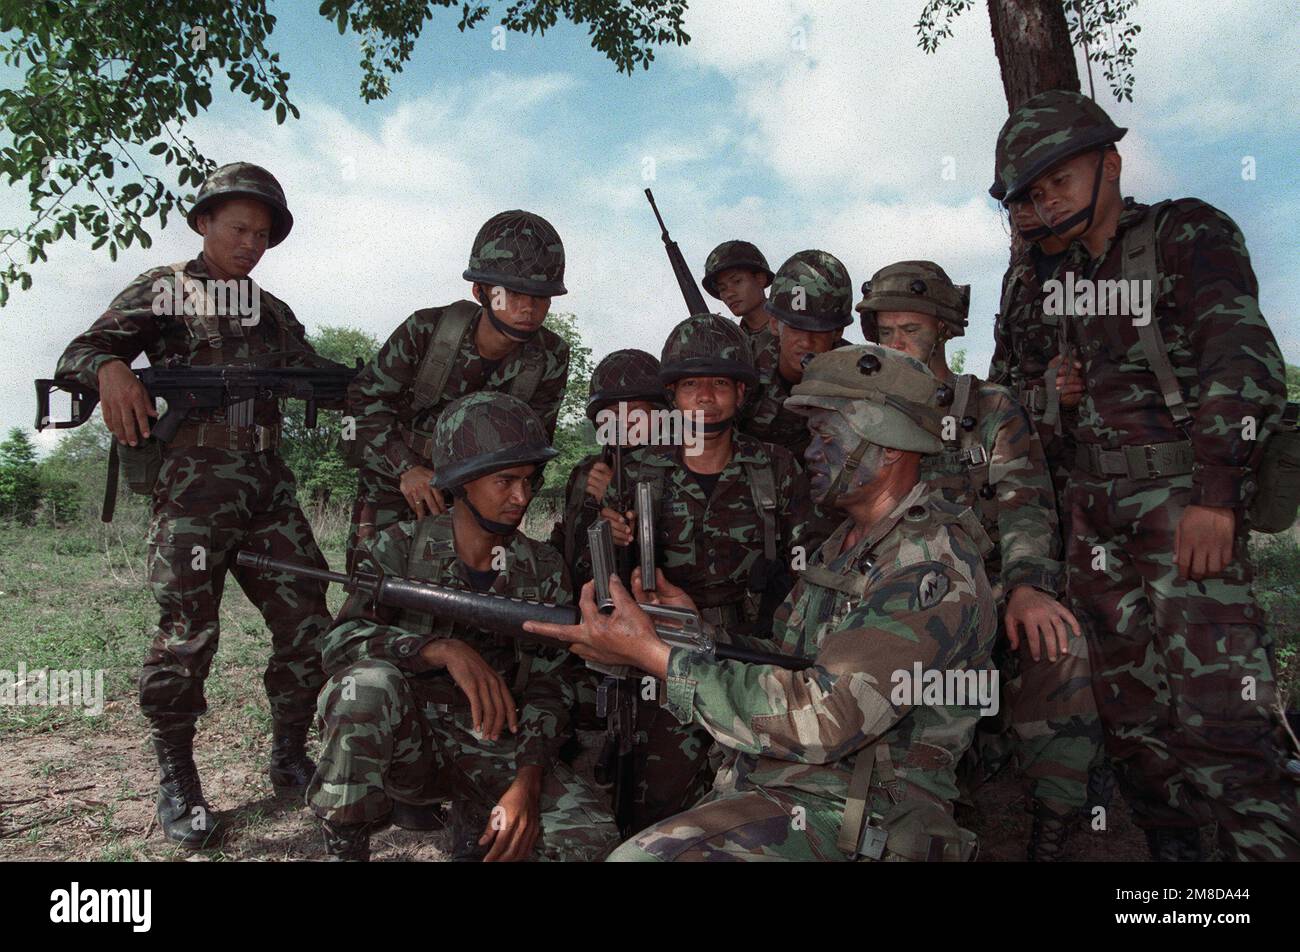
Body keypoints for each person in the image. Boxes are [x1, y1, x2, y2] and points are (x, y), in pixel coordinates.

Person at [526, 345, 997, 861]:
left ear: (888, 446)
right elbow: (786, 657)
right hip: (793, 783)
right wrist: (695, 631)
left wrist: (657, 657)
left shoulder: (926, 568)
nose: (811, 452)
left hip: (867, 812)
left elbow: (826, 716)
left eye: (824, 435)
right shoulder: (849, 544)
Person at [990, 88, 1299, 861]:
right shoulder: (1053, 281)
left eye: (1059, 179)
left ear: (1111, 162)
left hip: (1182, 508)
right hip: (1093, 519)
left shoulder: (1184, 232)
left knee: (1224, 722)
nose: (1046, 201)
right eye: (1032, 192)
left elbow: (1246, 360)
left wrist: (1219, 495)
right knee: (1133, 727)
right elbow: (1018, 407)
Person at [55, 162, 332, 847]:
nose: (250, 244)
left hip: (267, 490)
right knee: (187, 635)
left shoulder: (273, 314)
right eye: (238, 228)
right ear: (204, 222)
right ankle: (178, 776)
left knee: (308, 624)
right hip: (192, 494)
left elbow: (322, 379)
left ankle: (291, 758)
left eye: (262, 234)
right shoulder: (165, 290)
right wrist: (111, 368)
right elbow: (81, 350)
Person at [859, 259, 1103, 860]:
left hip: (986, 592)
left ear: (943, 331)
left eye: (910, 331)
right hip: (896, 597)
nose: (897, 345)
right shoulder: (863, 412)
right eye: (885, 332)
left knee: (1060, 646)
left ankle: (1054, 813)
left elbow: (1026, 507)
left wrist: (1025, 587)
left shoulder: (991, 408)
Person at [308, 392, 618, 861]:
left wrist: (527, 783)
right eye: (506, 480)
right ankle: (345, 850)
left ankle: (480, 815)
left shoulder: (544, 567)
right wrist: (439, 649)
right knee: (364, 686)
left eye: (529, 481)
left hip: (500, 741)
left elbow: (550, 687)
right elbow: (339, 645)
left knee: (590, 841)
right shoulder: (399, 550)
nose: (523, 497)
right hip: (406, 738)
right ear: (462, 482)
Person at [596, 313, 812, 831]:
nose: (706, 397)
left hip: (753, 653)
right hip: (663, 653)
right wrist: (608, 537)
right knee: (653, 812)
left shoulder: (776, 467)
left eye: (720, 383)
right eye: (691, 383)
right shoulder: (639, 469)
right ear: (673, 394)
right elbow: (600, 580)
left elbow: (809, 568)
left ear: (741, 392)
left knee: (762, 807)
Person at [344, 210, 570, 570]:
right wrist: (406, 468)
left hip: (478, 498)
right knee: (378, 590)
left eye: (541, 297)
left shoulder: (550, 358)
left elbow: (536, 444)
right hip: (396, 485)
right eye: (511, 293)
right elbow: (363, 399)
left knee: (469, 604)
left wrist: (505, 506)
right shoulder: (427, 331)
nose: (528, 307)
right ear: (480, 291)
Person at [548, 349, 668, 589]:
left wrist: (615, 494)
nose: (624, 421)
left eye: (636, 411)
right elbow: (567, 537)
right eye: (612, 413)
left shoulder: (675, 469)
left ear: (659, 414)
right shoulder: (584, 471)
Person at [741, 250, 852, 461]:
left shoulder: (858, 378)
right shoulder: (744, 370)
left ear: (838, 332)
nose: (806, 342)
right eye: (795, 327)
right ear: (774, 324)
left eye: (819, 330)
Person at [701, 240, 776, 347]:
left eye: (737, 281)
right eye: (722, 288)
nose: (729, 294)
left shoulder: (795, 328)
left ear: (760, 279)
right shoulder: (731, 344)